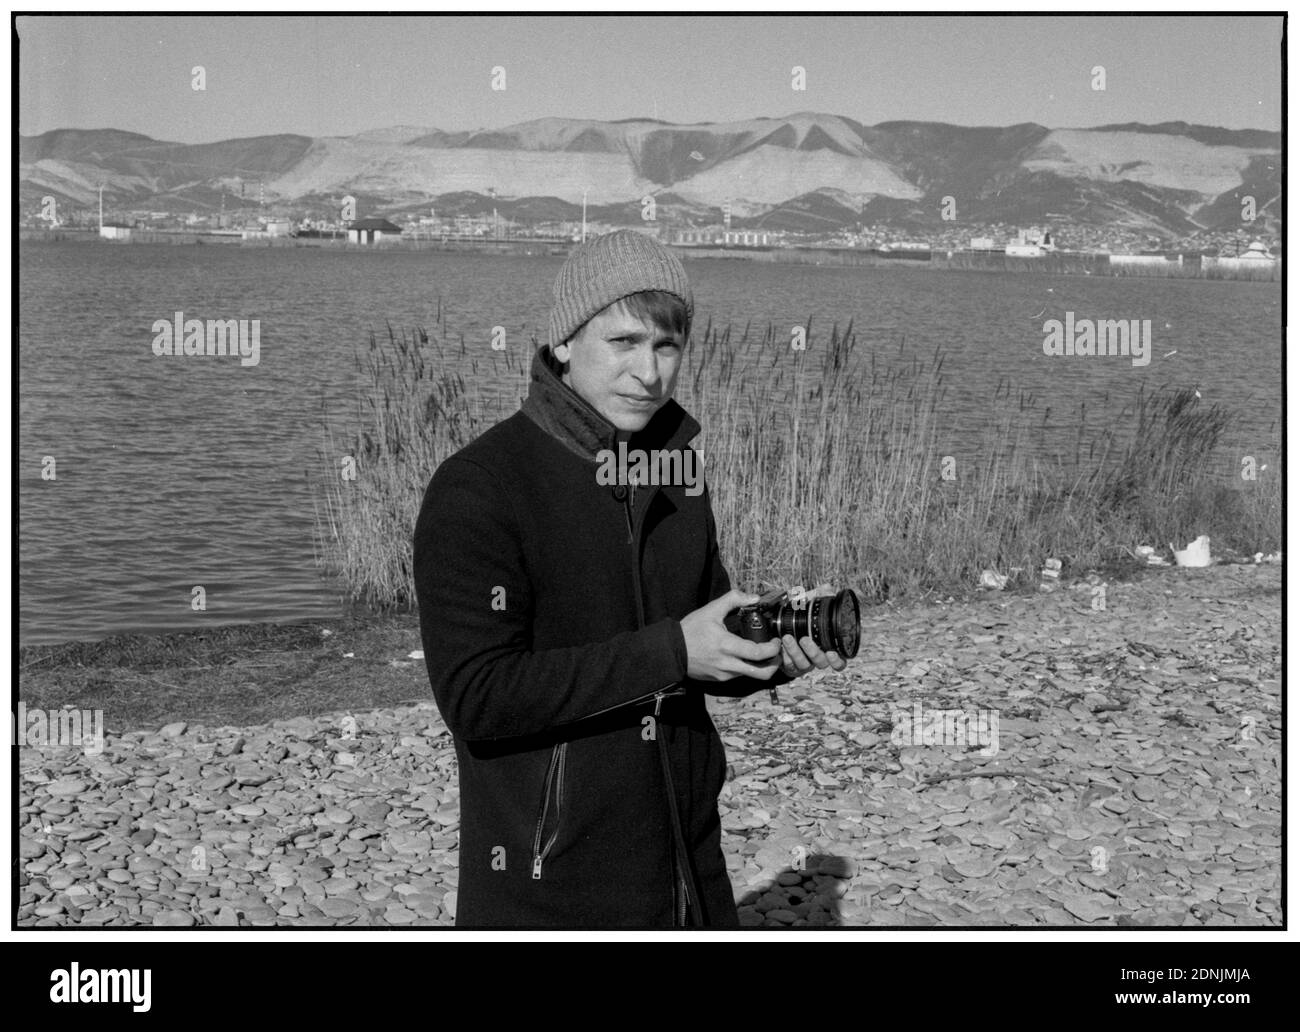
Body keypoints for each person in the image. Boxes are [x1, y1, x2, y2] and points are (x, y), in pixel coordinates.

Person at [414, 229, 846, 928]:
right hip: (548, 887)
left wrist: (771, 657)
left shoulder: (674, 473)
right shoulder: (481, 487)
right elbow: (478, 697)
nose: (649, 373)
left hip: (687, 866)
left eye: (666, 346)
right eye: (623, 342)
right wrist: (673, 651)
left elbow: (702, 646)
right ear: (562, 343)